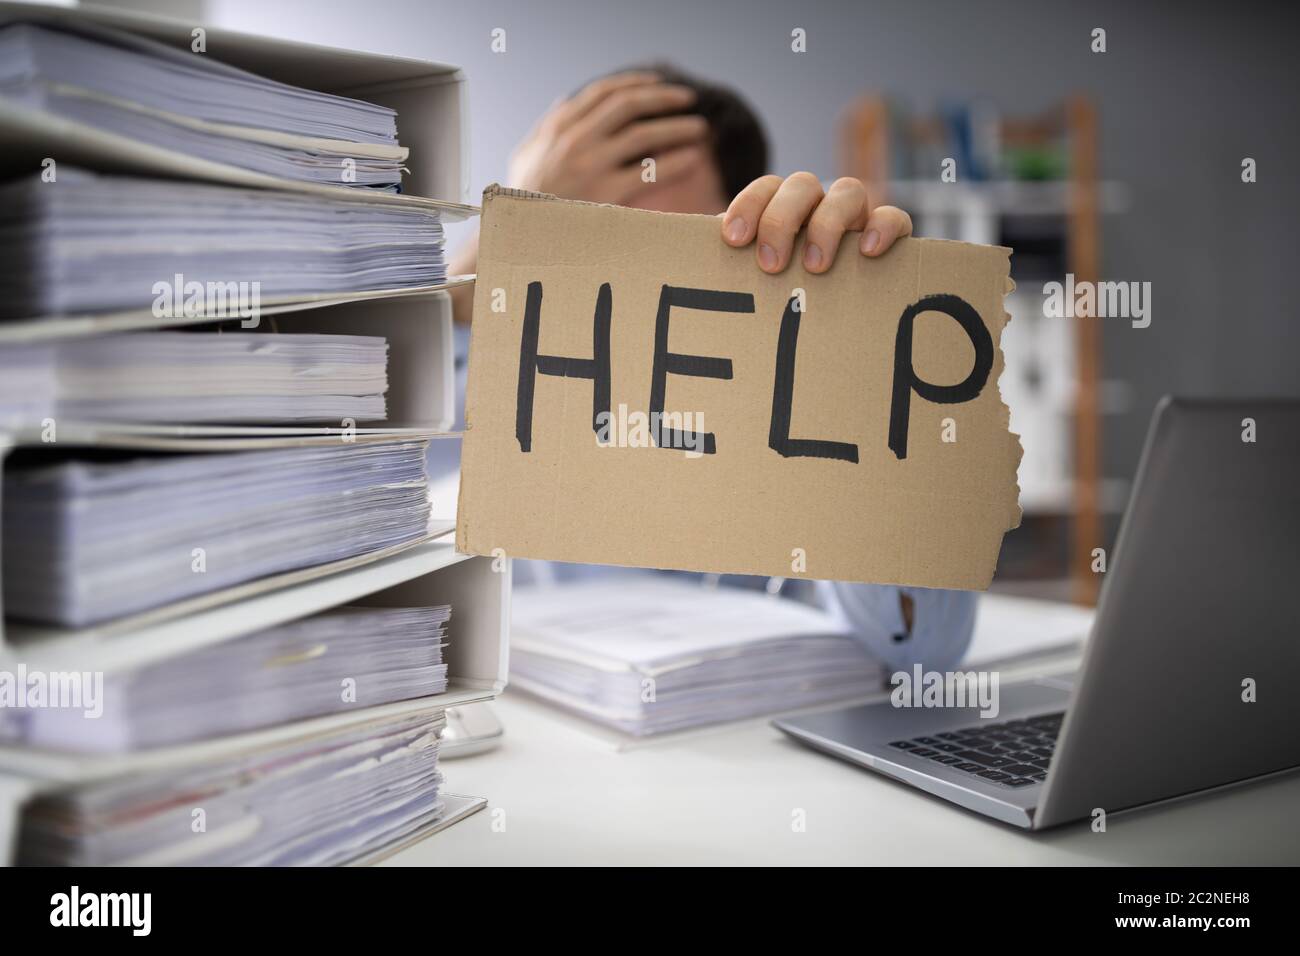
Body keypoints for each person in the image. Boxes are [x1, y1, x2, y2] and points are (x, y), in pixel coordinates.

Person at [449, 66, 977, 673]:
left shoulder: (794, 407)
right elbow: (342, 430)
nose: (626, 298)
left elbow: (922, 652)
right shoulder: (482, 377)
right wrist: (502, 239)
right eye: (591, 246)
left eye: (667, 253)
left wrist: (862, 369)